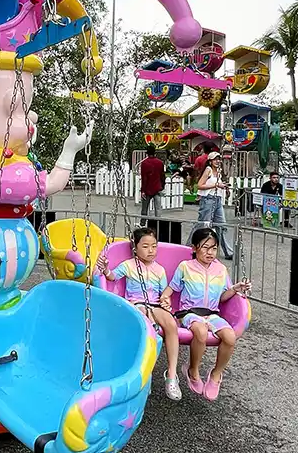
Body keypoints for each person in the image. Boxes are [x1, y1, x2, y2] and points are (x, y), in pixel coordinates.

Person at [159, 227, 251, 400]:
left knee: (230, 336)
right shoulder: (186, 267)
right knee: (200, 331)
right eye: (205, 247)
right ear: (194, 248)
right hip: (189, 312)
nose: (210, 253)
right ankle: (193, 370)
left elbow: (223, 297)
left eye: (214, 248)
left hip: (212, 314)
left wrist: (235, 289)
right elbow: (172, 288)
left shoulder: (221, 270)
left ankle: (216, 374)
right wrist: (165, 298)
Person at [97, 227, 183, 401]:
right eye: (145, 246)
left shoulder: (159, 270)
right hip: (137, 305)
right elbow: (113, 277)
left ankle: (172, 375)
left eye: (154, 246)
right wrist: (106, 269)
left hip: (154, 304)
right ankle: (146, 373)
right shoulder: (128, 265)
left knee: (171, 324)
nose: (150, 250)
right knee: (146, 323)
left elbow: (162, 294)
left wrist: (165, 302)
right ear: (135, 248)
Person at [196, 152, 234, 259]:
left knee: (221, 225)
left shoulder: (219, 172)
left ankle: (228, 251)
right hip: (208, 199)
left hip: (217, 200)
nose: (217, 161)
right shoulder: (208, 170)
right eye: (215, 159)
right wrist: (216, 185)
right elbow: (200, 185)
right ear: (210, 161)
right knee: (203, 225)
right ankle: (192, 247)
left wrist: (224, 188)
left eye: (218, 159)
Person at [138, 145, 166, 221]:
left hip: (147, 189)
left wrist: (143, 190)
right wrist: (162, 186)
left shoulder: (144, 163)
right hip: (157, 188)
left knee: (144, 209)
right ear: (155, 153)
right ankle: (158, 223)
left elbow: (144, 178)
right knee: (158, 208)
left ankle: (142, 224)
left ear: (147, 154)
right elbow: (162, 176)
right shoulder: (160, 163)